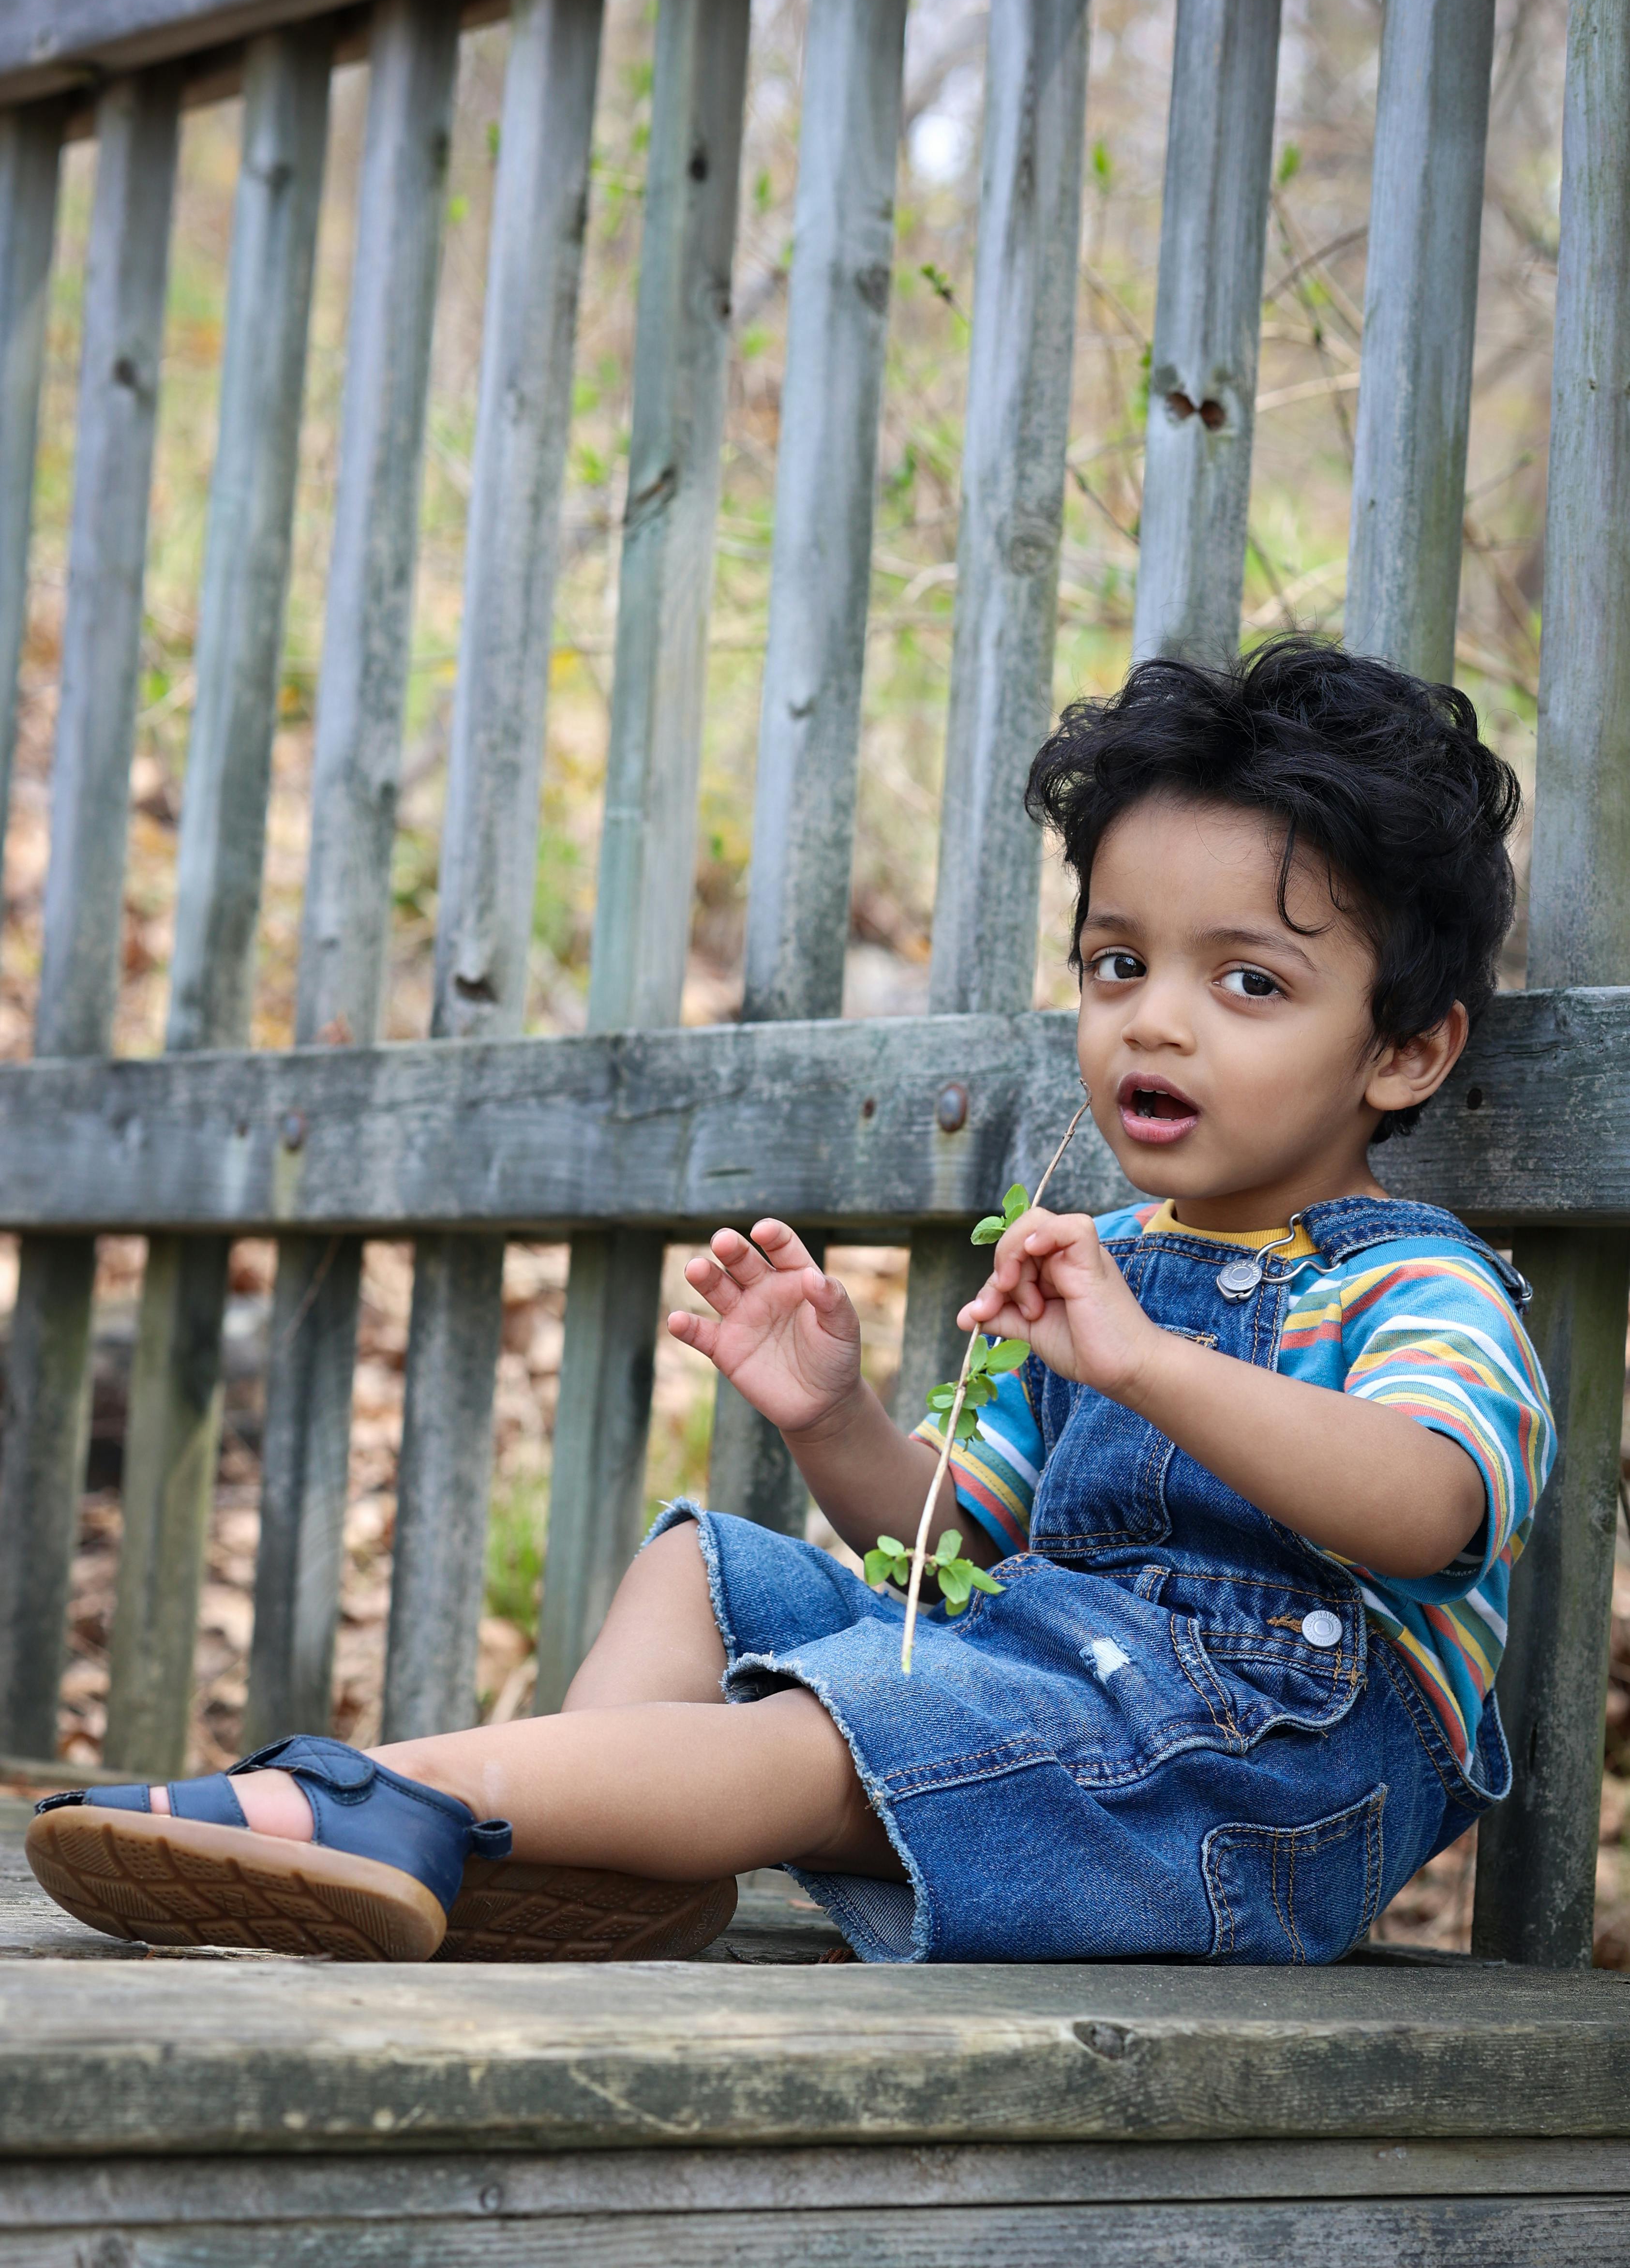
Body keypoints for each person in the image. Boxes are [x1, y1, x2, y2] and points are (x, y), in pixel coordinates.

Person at [28, 637, 1553, 1967]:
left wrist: (1148, 1365)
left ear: (1405, 1051)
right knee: (712, 1568)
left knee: (853, 1726)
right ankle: (578, 1870)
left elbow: (1429, 1505)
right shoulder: (1106, 1261)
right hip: (1061, 1687)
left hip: (1260, 1780)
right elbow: (960, 1547)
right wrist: (834, 1421)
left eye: (1250, 984)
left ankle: (394, 1799)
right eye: (1115, 961)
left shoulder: (1407, 1282)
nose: (1153, 1015)